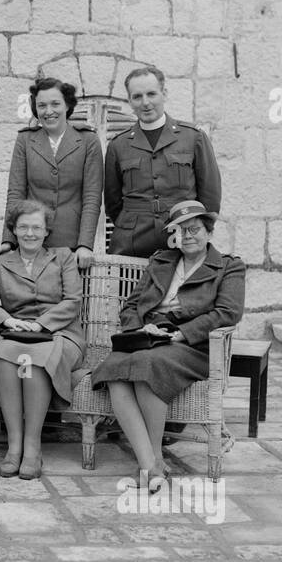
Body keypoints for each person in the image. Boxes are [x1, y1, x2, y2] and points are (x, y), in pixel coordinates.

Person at [90, 200, 245, 492]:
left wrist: (181, 333)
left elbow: (228, 313)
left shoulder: (229, 267)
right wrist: (139, 328)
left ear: (208, 231)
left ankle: (153, 462)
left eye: (195, 229)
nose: (188, 236)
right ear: (173, 235)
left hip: (193, 344)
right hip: (149, 336)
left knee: (148, 365)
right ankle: (151, 463)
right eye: (181, 231)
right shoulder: (160, 261)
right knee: (114, 371)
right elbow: (132, 305)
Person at [0, 200, 84, 480]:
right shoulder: (0, 262)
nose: (30, 233)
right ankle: (13, 446)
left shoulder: (63, 257)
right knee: (4, 358)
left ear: (47, 231)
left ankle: (32, 448)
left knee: (34, 362)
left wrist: (41, 324)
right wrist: (7, 320)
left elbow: (73, 301)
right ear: (14, 230)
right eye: (23, 227)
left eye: (37, 227)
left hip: (60, 333)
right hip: (16, 332)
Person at [104, 65, 221, 257]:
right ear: (129, 101)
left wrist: (195, 232)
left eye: (152, 94)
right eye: (137, 97)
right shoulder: (119, 145)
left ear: (164, 94)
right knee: (129, 287)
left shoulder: (193, 138)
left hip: (181, 239)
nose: (145, 103)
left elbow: (211, 197)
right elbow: (112, 202)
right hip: (133, 242)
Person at [2, 77, 102, 267]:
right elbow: (15, 194)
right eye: (42, 106)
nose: (49, 111)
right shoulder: (25, 140)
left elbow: (92, 197)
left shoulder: (88, 140)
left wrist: (85, 245)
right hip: (31, 244)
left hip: (71, 248)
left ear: (67, 105)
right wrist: (8, 240)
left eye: (55, 104)